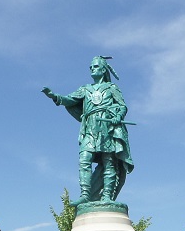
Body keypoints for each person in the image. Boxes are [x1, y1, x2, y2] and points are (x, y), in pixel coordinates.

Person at [42, 56, 134, 206]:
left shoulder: (112, 88)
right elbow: (70, 100)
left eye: (96, 66)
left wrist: (118, 116)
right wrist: (55, 97)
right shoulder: (85, 89)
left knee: (109, 162)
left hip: (107, 127)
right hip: (90, 128)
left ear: (104, 69)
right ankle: (85, 194)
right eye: (91, 67)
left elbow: (122, 106)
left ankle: (107, 196)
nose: (92, 69)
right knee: (84, 159)